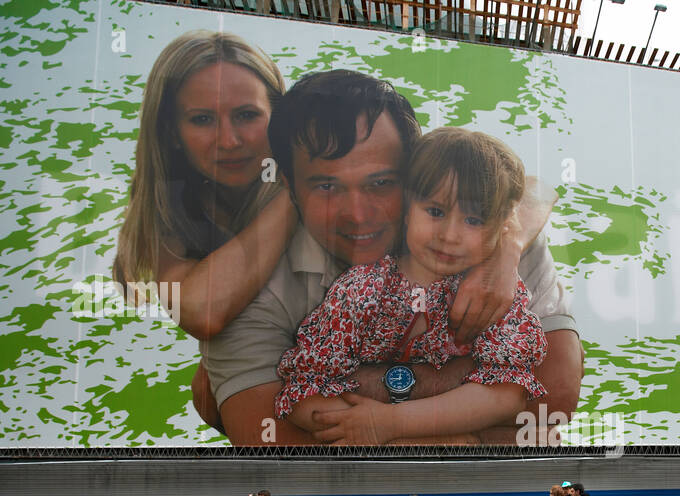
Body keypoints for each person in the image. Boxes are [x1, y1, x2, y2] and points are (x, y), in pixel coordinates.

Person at [200, 69, 582, 445]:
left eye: (381, 183)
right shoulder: (248, 286)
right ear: (290, 185)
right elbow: (276, 442)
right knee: (206, 392)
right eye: (327, 186)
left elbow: (555, 395)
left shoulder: (497, 232)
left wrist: (387, 421)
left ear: (415, 172)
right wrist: (463, 433)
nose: (359, 213)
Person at [274, 127, 547, 443]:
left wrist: (391, 424)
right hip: (368, 455)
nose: (449, 234)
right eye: (435, 211)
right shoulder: (361, 290)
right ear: (406, 209)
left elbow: (507, 394)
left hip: (443, 466)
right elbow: (303, 390)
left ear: (502, 227)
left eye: (473, 220)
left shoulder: (494, 297)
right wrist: (369, 429)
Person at [111, 31, 295, 427]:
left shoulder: (335, 177)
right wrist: (298, 193)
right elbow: (202, 309)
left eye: (247, 115)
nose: (228, 141)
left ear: (278, 116)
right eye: (202, 119)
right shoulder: (168, 204)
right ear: (171, 132)